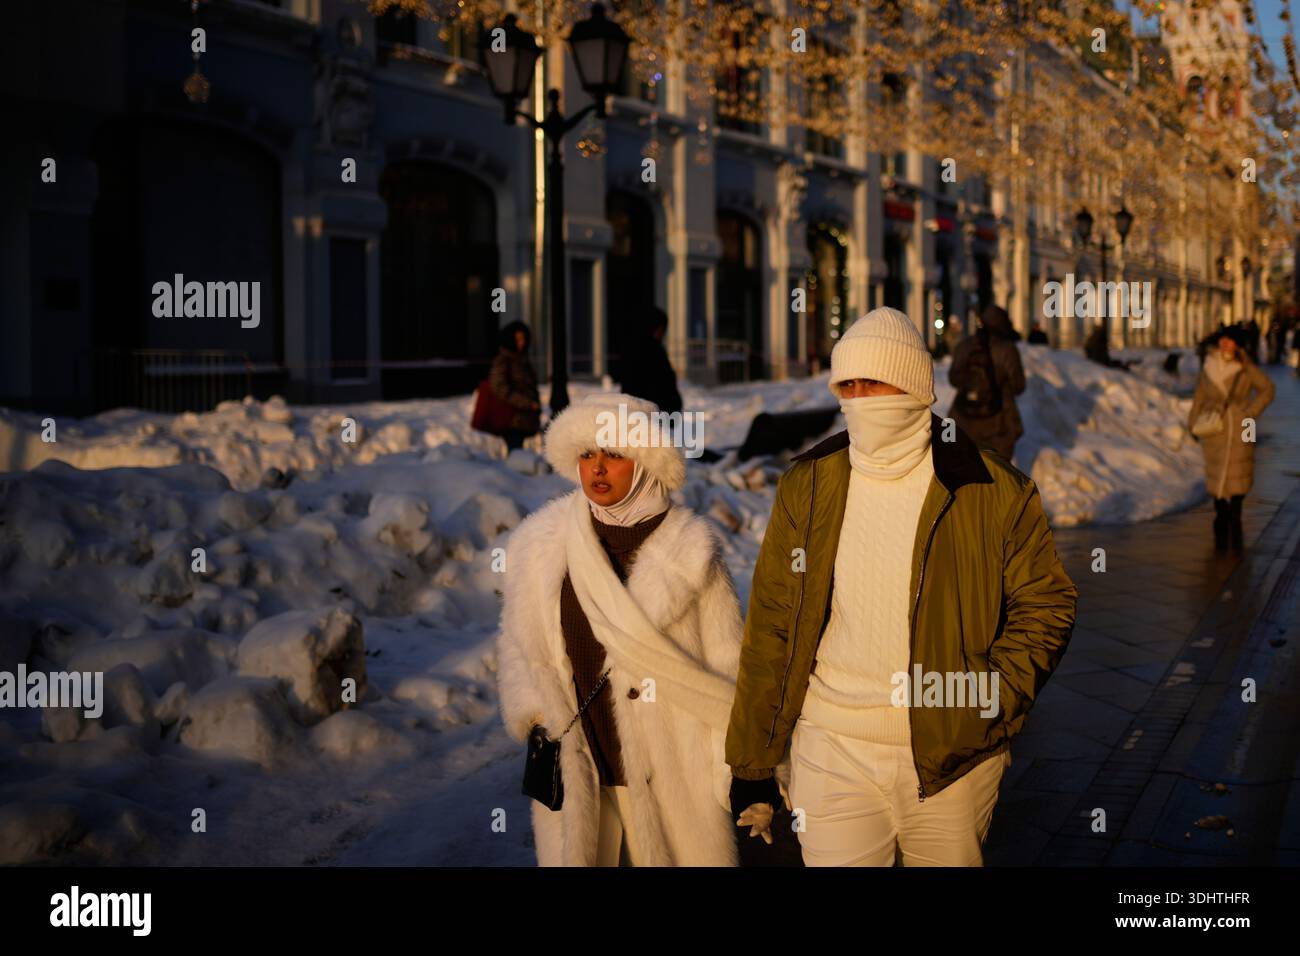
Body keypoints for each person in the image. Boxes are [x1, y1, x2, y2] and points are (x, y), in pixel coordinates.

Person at [725, 306, 1077, 867]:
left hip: (951, 757)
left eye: (876, 382)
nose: (861, 399)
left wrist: (988, 701)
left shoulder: (991, 488)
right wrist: (752, 764)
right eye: (849, 384)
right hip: (832, 748)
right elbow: (773, 623)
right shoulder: (808, 485)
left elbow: (1046, 605)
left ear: (914, 385)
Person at [496, 393, 743, 866]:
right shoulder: (540, 544)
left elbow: (724, 670)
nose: (598, 469)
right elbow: (519, 648)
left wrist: (730, 771)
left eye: (615, 454)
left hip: (674, 779)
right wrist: (534, 718)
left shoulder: (692, 552)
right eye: (587, 455)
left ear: (647, 461)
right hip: (581, 773)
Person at [1187, 326, 1276, 552]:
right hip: (1215, 429)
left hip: (1239, 428)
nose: (1226, 344)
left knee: (1238, 478)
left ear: (1237, 345)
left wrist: (1249, 412)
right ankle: (1220, 524)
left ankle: (1235, 530)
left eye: (1231, 341)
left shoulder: (1246, 367)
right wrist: (1193, 423)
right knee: (1217, 482)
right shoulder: (1208, 366)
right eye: (1223, 340)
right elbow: (1199, 397)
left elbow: (1267, 389)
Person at [946, 304, 1027, 461]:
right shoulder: (1007, 349)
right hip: (998, 426)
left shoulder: (964, 345)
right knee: (998, 477)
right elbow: (1018, 386)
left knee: (966, 475)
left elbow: (953, 379)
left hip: (963, 420)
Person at [614, 305, 683, 416]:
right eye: (660, 329)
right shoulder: (651, 351)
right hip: (651, 414)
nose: (661, 334)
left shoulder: (634, 348)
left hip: (645, 413)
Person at [488, 320, 541, 452]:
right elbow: (500, 388)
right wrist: (527, 403)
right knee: (516, 454)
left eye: (523, 338)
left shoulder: (522, 360)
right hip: (510, 417)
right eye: (517, 339)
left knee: (518, 453)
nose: (521, 342)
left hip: (523, 418)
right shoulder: (504, 360)